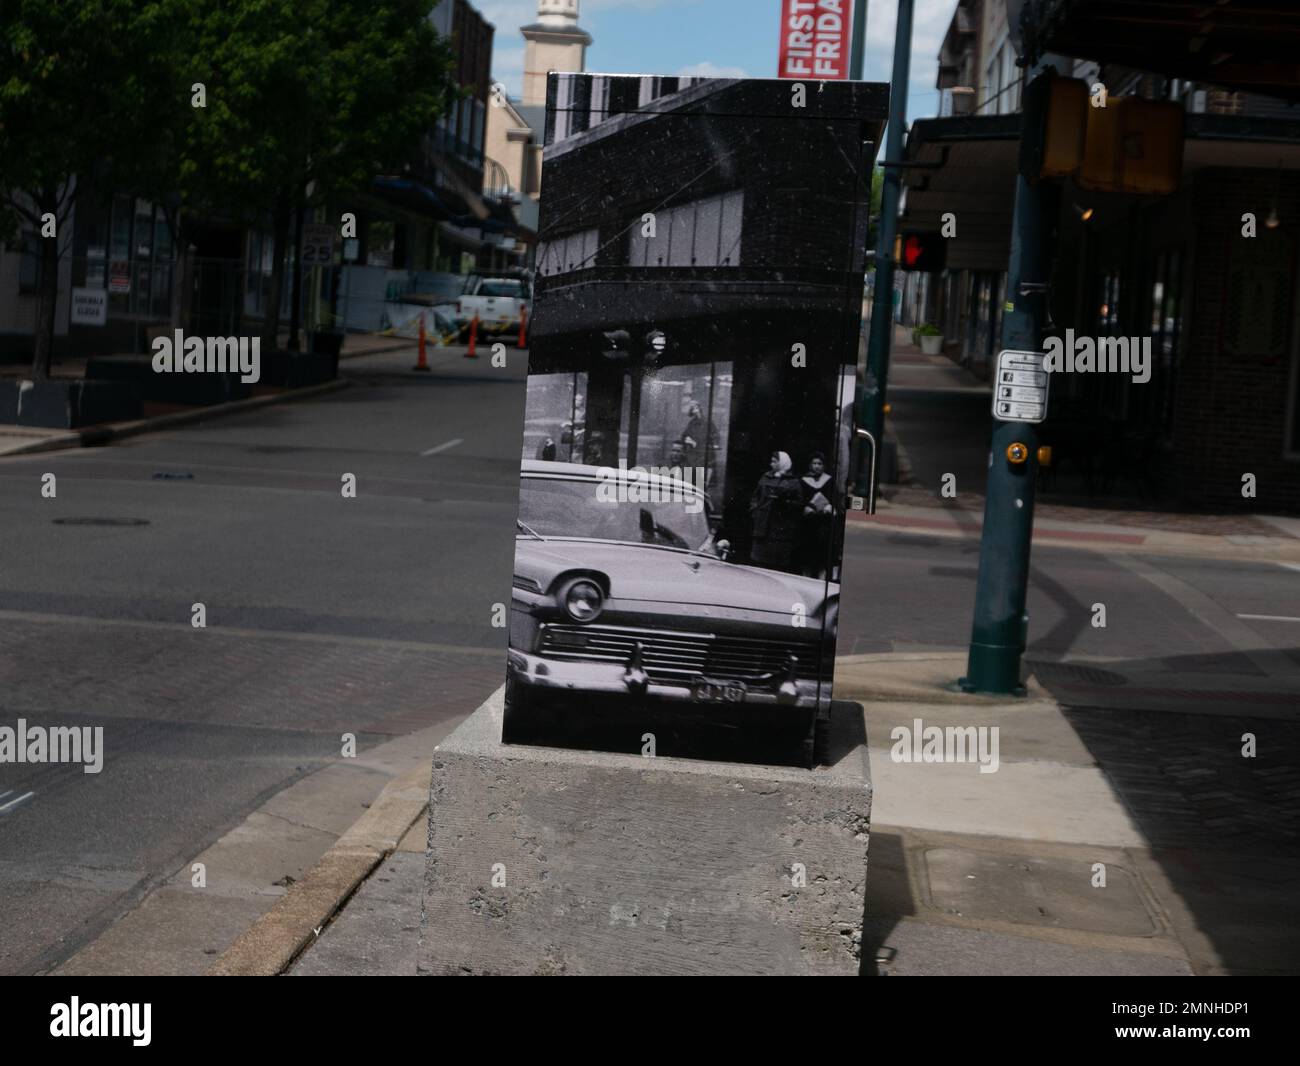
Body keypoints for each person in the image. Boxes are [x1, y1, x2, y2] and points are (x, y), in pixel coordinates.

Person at [749, 451, 802, 571]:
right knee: (759, 564)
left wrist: (784, 503)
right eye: (771, 461)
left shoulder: (793, 482)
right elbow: (755, 496)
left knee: (776, 566)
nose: (771, 464)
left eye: (774, 461)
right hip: (762, 527)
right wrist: (755, 511)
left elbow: (798, 504)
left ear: (783, 463)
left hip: (780, 529)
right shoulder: (765, 477)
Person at [798, 452, 835, 579]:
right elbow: (801, 499)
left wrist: (829, 507)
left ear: (824, 466)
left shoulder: (829, 480)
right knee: (807, 555)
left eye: (819, 463)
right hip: (808, 522)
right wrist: (807, 508)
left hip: (824, 522)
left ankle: (821, 578)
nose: (817, 466)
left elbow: (833, 498)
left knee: (821, 556)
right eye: (814, 463)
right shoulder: (804, 480)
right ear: (810, 465)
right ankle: (806, 577)